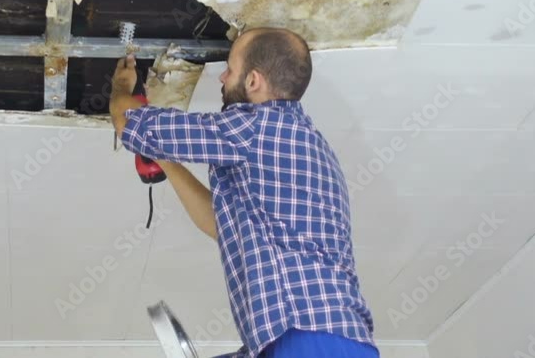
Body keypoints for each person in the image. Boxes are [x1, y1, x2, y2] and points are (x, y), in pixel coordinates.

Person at [109, 27, 378, 358]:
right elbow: (220, 226)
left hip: (313, 337)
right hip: (313, 339)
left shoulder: (258, 126)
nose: (222, 76)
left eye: (230, 68)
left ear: (253, 81)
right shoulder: (291, 140)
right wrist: (165, 159)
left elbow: (131, 123)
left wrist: (121, 87)